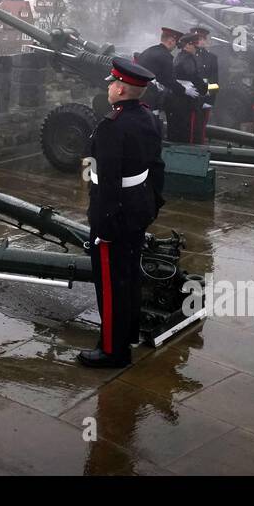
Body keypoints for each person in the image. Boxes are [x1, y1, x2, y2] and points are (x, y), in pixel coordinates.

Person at [79, 56, 165, 369]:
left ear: (121, 90)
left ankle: (114, 351)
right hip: (138, 208)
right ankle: (126, 334)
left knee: (112, 284)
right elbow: (156, 166)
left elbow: (109, 183)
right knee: (128, 277)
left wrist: (103, 225)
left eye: (114, 83)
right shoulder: (147, 118)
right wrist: (153, 202)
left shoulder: (112, 127)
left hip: (115, 215)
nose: (110, 87)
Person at [133, 26, 182, 127]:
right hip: (149, 98)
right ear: (171, 41)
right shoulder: (165, 56)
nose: (175, 47)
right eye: (175, 43)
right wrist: (184, 90)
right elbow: (169, 80)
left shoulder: (149, 50)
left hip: (137, 95)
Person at [167, 33, 207, 143]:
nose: (196, 49)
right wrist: (203, 87)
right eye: (195, 46)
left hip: (181, 100)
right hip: (187, 102)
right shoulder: (187, 59)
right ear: (188, 45)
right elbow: (192, 75)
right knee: (189, 132)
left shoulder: (181, 57)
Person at [190, 25, 219, 142]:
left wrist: (210, 99)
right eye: (198, 39)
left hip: (204, 94)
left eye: (202, 39)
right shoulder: (187, 55)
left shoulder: (211, 58)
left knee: (200, 125)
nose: (200, 42)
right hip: (189, 93)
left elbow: (214, 80)